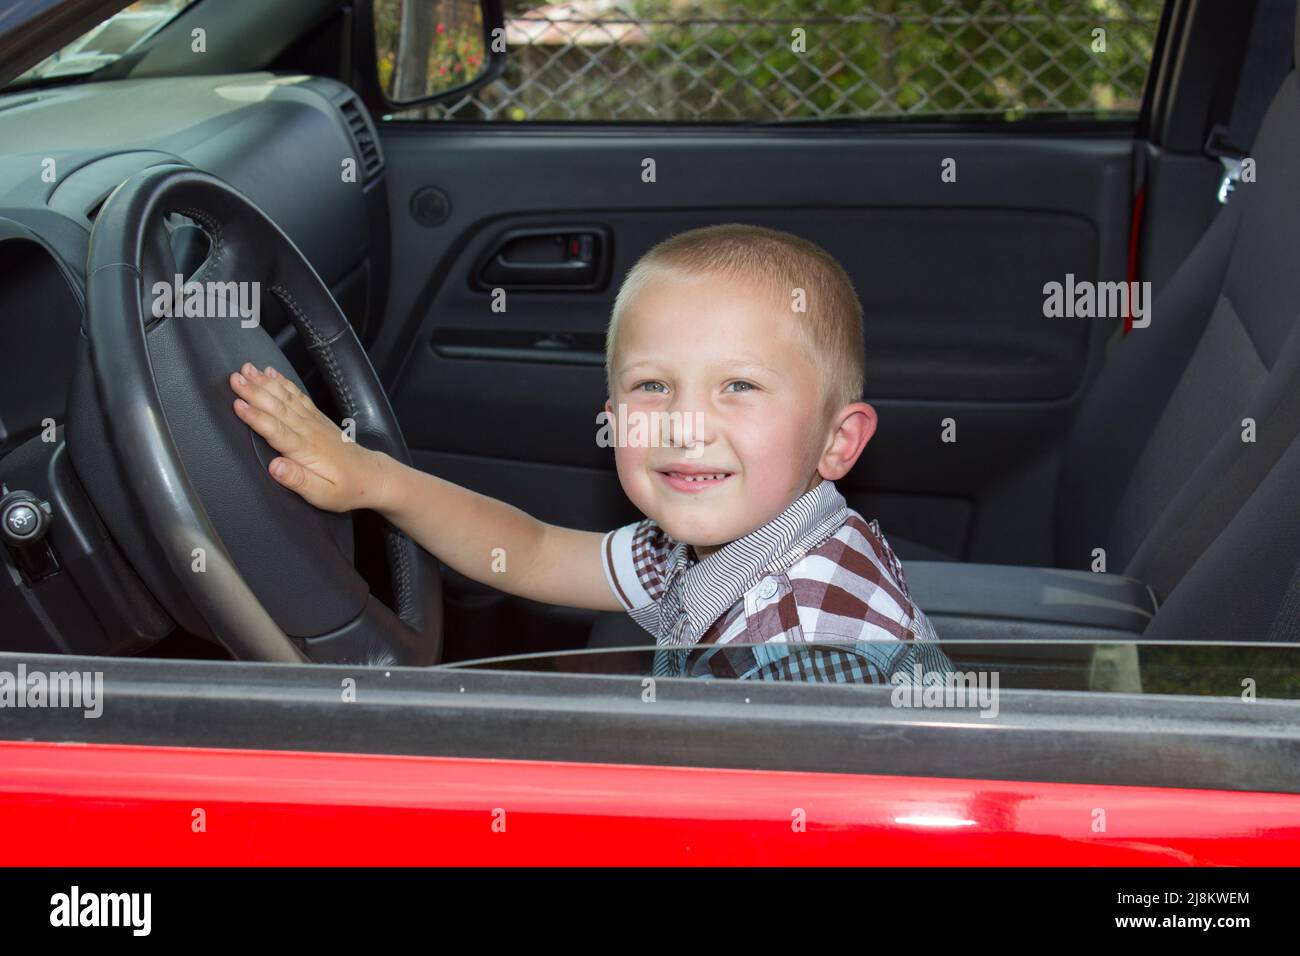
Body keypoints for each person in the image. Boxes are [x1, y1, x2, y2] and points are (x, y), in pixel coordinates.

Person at [228, 223, 953, 684]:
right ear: (612, 418)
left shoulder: (811, 655)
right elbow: (534, 550)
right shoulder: (722, 541)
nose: (682, 425)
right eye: (652, 386)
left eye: (738, 385)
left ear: (838, 442)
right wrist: (377, 482)